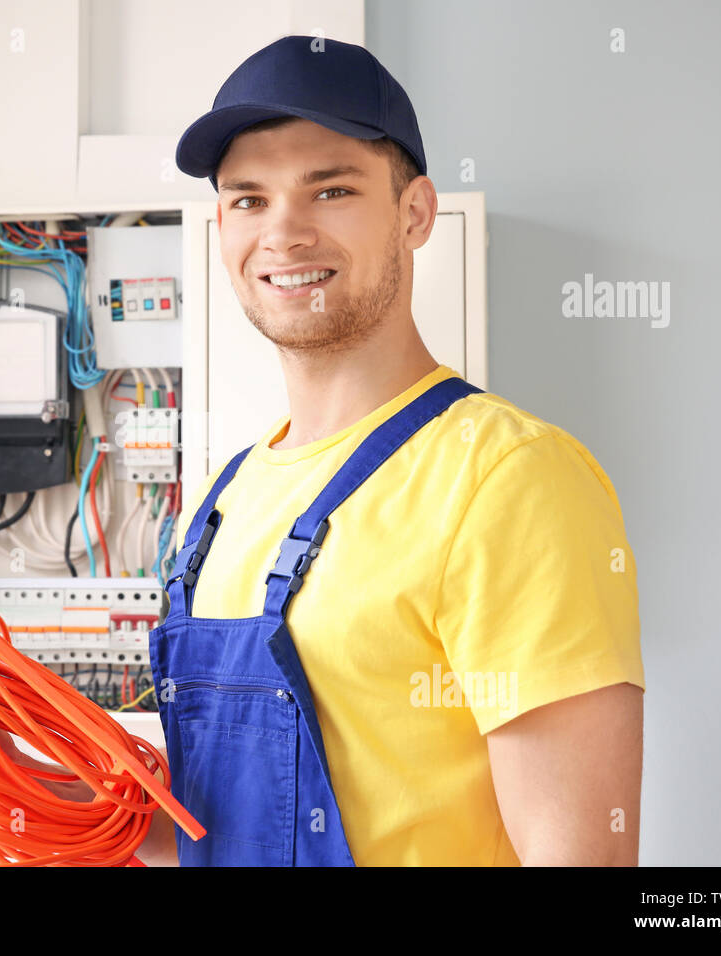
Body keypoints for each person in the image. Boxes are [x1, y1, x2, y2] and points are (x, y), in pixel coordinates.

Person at [138, 35, 645, 866]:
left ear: (415, 213)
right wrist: (46, 790)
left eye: (330, 189)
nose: (284, 234)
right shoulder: (224, 501)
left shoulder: (507, 479)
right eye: (248, 200)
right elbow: (214, 835)